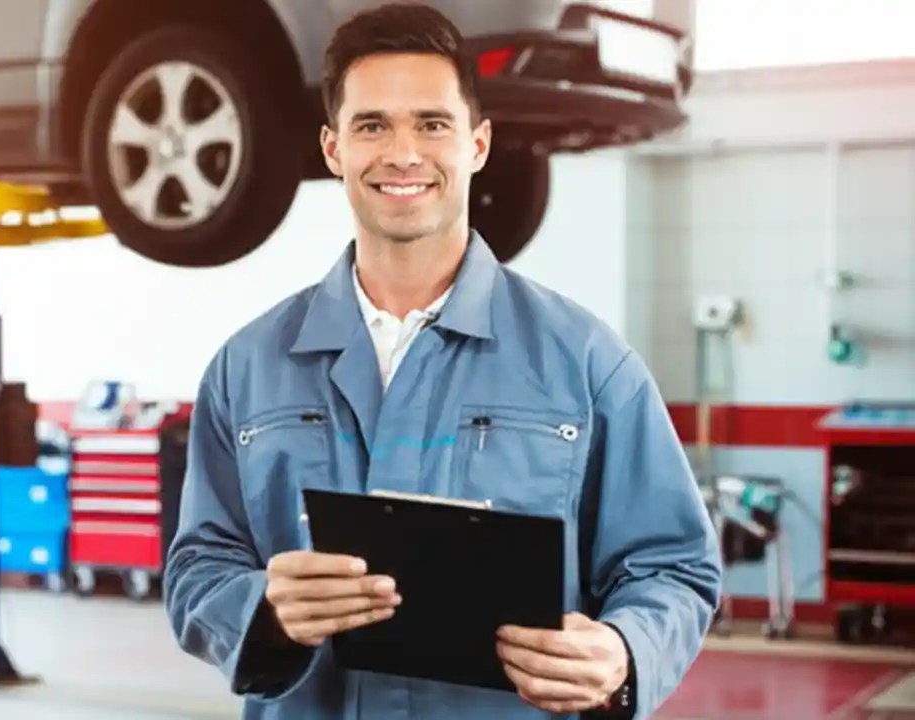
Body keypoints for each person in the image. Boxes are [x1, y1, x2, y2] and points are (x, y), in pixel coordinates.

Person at [162, 3, 722, 718]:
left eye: (431, 123)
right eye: (372, 126)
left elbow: (673, 566)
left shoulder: (586, 361)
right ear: (333, 149)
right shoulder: (248, 367)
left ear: (478, 144)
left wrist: (624, 650)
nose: (403, 153)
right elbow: (196, 569)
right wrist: (263, 608)